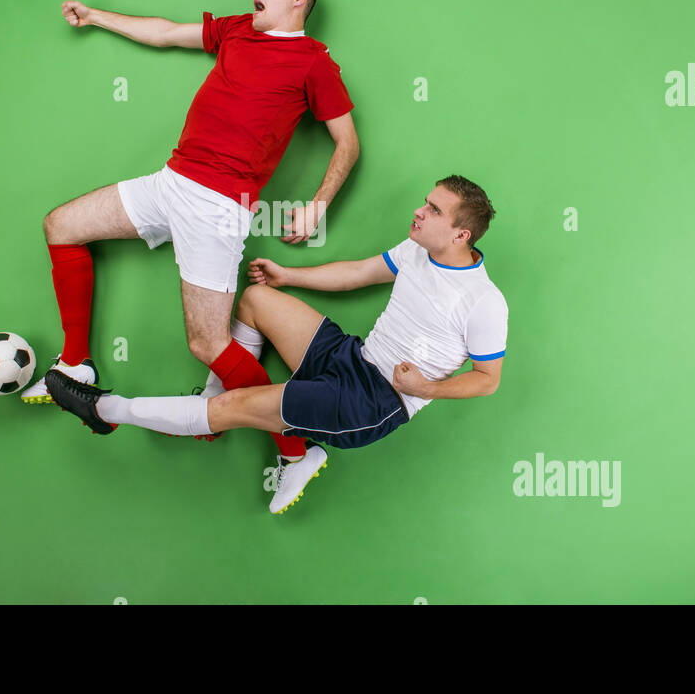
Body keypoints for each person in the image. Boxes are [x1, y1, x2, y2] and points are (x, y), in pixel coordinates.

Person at [24, 0, 359, 466]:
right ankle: (75, 365)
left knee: (208, 344)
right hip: (171, 181)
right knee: (62, 226)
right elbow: (165, 33)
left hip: (218, 205)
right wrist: (95, 16)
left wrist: (317, 206)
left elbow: (348, 143)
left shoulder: (313, 62)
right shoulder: (239, 29)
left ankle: (298, 451)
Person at [46, 176, 508, 514]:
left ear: (460, 234)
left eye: (433, 210)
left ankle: (104, 410)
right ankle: (236, 418)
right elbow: (358, 273)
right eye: (424, 202)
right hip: (353, 357)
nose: (419, 212)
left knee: (235, 407)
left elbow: (488, 381)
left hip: (373, 401)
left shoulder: (483, 302)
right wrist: (289, 276)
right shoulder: (419, 250)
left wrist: (426, 388)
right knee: (256, 300)